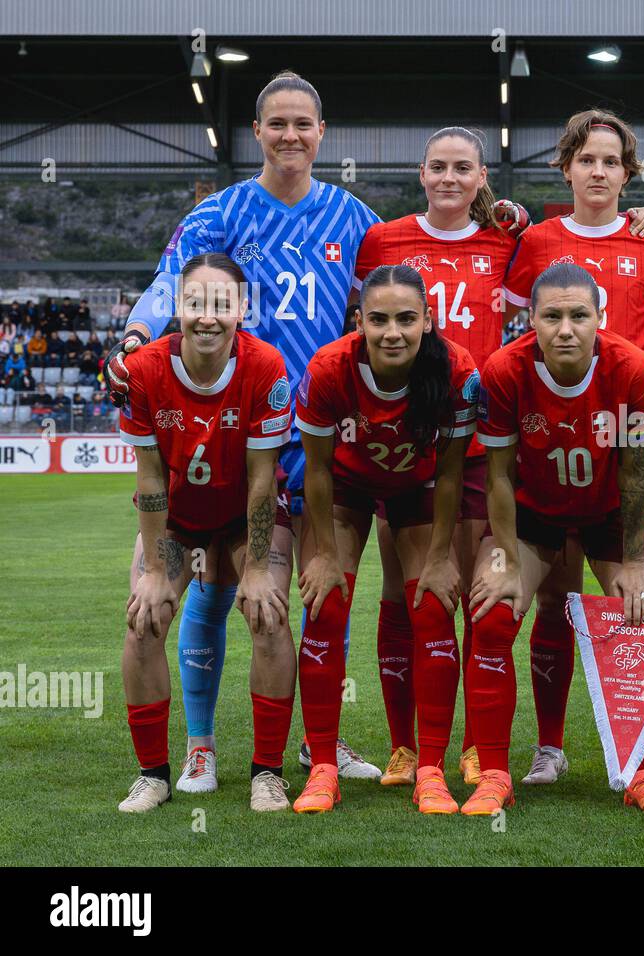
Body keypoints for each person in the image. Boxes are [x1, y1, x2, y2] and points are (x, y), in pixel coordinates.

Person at [353, 125, 644, 789]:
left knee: (485, 594)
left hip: (499, 432)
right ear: (420, 171)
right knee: (407, 592)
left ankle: (480, 748)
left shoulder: (508, 237)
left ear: (483, 175)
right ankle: (409, 747)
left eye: (464, 167)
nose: (450, 178)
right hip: (412, 434)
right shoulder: (383, 241)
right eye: (438, 165)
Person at [107, 70, 388, 786]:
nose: (291, 135)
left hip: (318, 438)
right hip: (233, 433)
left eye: (304, 124)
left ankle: (316, 742)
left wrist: (497, 212)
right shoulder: (222, 212)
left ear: (322, 134)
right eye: (277, 123)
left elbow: (398, 297)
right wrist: (138, 336)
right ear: (257, 132)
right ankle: (200, 744)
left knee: (325, 588)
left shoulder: (355, 220)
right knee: (214, 586)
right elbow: (171, 279)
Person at [501, 109, 644, 789]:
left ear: (628, 173)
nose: (599, 172)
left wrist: (638, 375)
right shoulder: (539, 241)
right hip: (554, 434)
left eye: (611, 162)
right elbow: (513, 325)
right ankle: (549, 747)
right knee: (552, 598)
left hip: (632, 435)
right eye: (587, 160)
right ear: (567, 168)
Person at [467, 262, 644, 816]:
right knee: (492, 610)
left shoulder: (635, 370)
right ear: (530, 318)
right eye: (552, 316)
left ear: (600, 319)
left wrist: (634, 561)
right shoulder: (503, 371)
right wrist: (508, 560)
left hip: (612, 511)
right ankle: (495, 773)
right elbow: (500, 476)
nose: (565, 329)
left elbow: (636, 472)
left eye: (579, 315)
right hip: (534, 514)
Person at [291, 265, 477, 814]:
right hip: (345, 487)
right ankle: (322, 766)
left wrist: (442, 558)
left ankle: (430, 770)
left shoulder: (457, 371)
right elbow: (317, 471)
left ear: (428, 321)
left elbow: (449, 475)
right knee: (325, 603)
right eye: (378, 320)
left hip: (419, 487)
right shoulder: (328, 368)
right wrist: (324, 554)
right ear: (359, 322)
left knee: (433, 605)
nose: (392, 332)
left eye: (405, 318)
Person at [115, 253, 297, 813]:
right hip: (178, 518)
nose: (208, 316)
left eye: (222, 304)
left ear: (243, 309)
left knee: (268, 614)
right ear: (177, 306)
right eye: (196, 303)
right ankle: (154, 776)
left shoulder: (265, 367)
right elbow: (149, 476)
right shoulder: (144, 370)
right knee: (144, 620)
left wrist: (261, 568)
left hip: (246, 515)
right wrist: (151, 570)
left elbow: (263, 480)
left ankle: (267, 773)